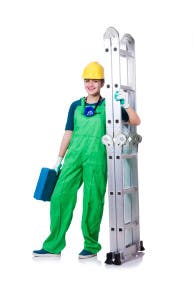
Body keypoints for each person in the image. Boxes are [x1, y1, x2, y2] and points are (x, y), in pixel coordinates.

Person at [33, 62, 141, 258]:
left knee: (93, 201)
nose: (90, 84)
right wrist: (59, 159)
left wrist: (124, 104)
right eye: (87, 80)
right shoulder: (75, 105)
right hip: (73, 158)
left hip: (97, 159)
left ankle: (91, 246)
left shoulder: (109, 106)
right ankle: (53, 245)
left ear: (101, 83)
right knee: (59, 197)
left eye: (95, 81)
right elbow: (68, 132)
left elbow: (135, 120)